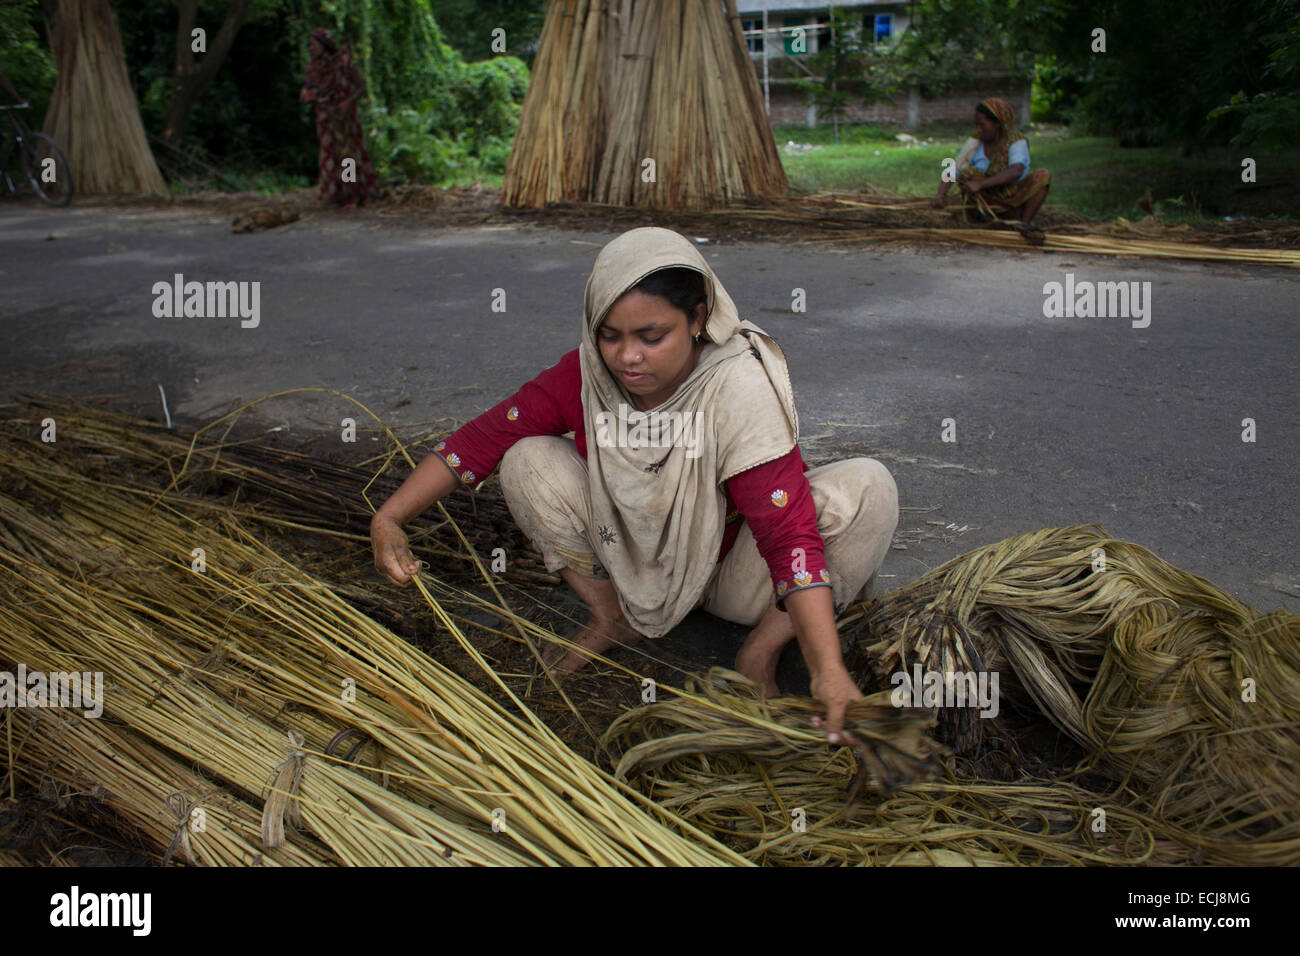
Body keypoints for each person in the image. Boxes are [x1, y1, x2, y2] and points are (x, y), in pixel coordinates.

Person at [371, 227, 899, 744]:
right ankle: (613, 617)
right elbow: (483, 440)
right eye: (610, 335)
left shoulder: (737, 385)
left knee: (868, 488)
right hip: (631, 563)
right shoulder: (588, 377)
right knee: (526, 458)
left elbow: (787, 537)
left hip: (740, 580)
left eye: (652, 337)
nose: (627, 358)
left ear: (697, 319)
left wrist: (825, 666)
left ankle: (758, 650)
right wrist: (389, 517)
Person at [932, 98, 1051, 234]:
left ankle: (1023, 224)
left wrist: (981, 184)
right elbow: (953, 169)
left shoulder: (1015, 141)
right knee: (969, 172)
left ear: (997, 124)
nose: (979, 129)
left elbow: (1016, 171)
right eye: (977, 125)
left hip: (1012, 197)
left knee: (1043, 175)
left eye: (983, 125)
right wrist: (940, 195)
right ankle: (985, 218)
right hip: (984, 201)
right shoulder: (975, 142)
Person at [299, 28, 381, 208]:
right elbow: (307, 93)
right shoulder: (314, 67)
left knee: (347, 155)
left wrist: (346, 104)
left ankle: (351, 195)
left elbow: (360, 87)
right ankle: (333, 196)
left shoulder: (343, 62)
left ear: (324, 45)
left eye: (313, 44)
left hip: (345, 118)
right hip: (326, 118)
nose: (311, 48)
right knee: (330, 155)